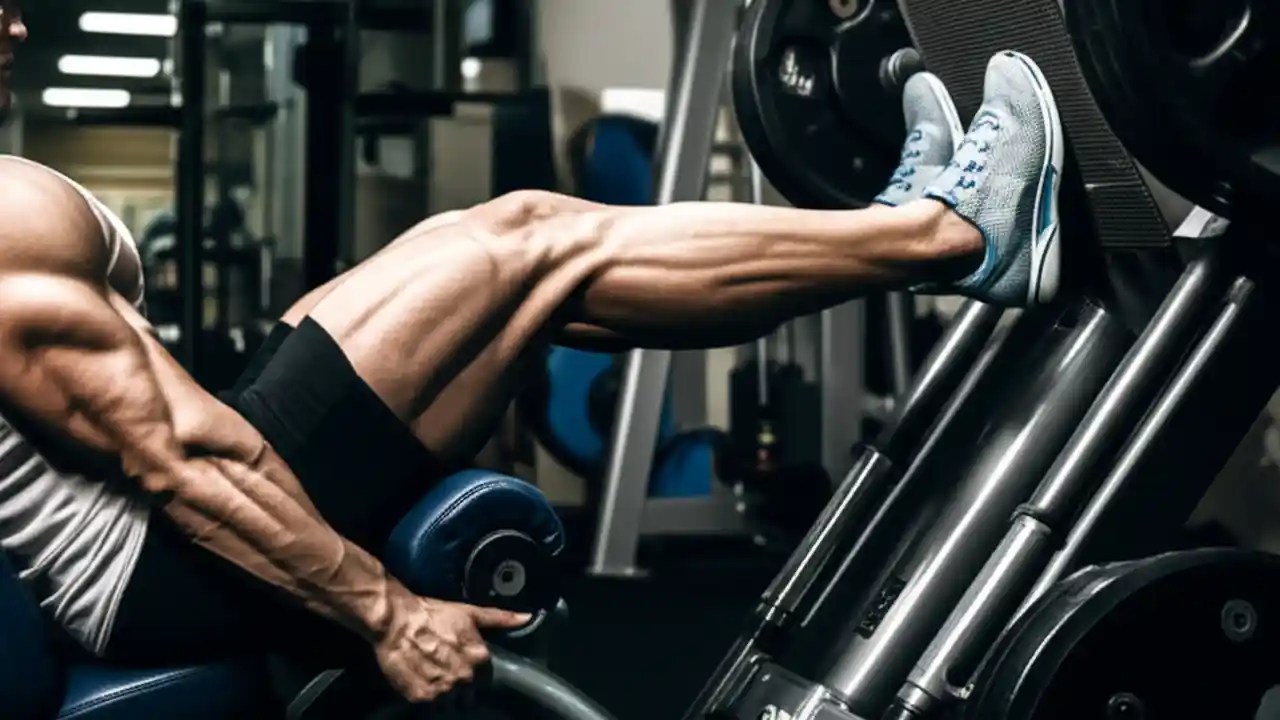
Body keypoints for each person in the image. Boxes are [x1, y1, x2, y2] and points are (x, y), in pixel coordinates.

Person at [0, 0, 1064, 705]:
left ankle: (897, 232)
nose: (14, 25)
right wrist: (387, 615)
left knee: (528, 267)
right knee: (529, 239)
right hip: (157, 570)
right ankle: (952, 238)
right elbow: (178, 460)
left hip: (154, 539)